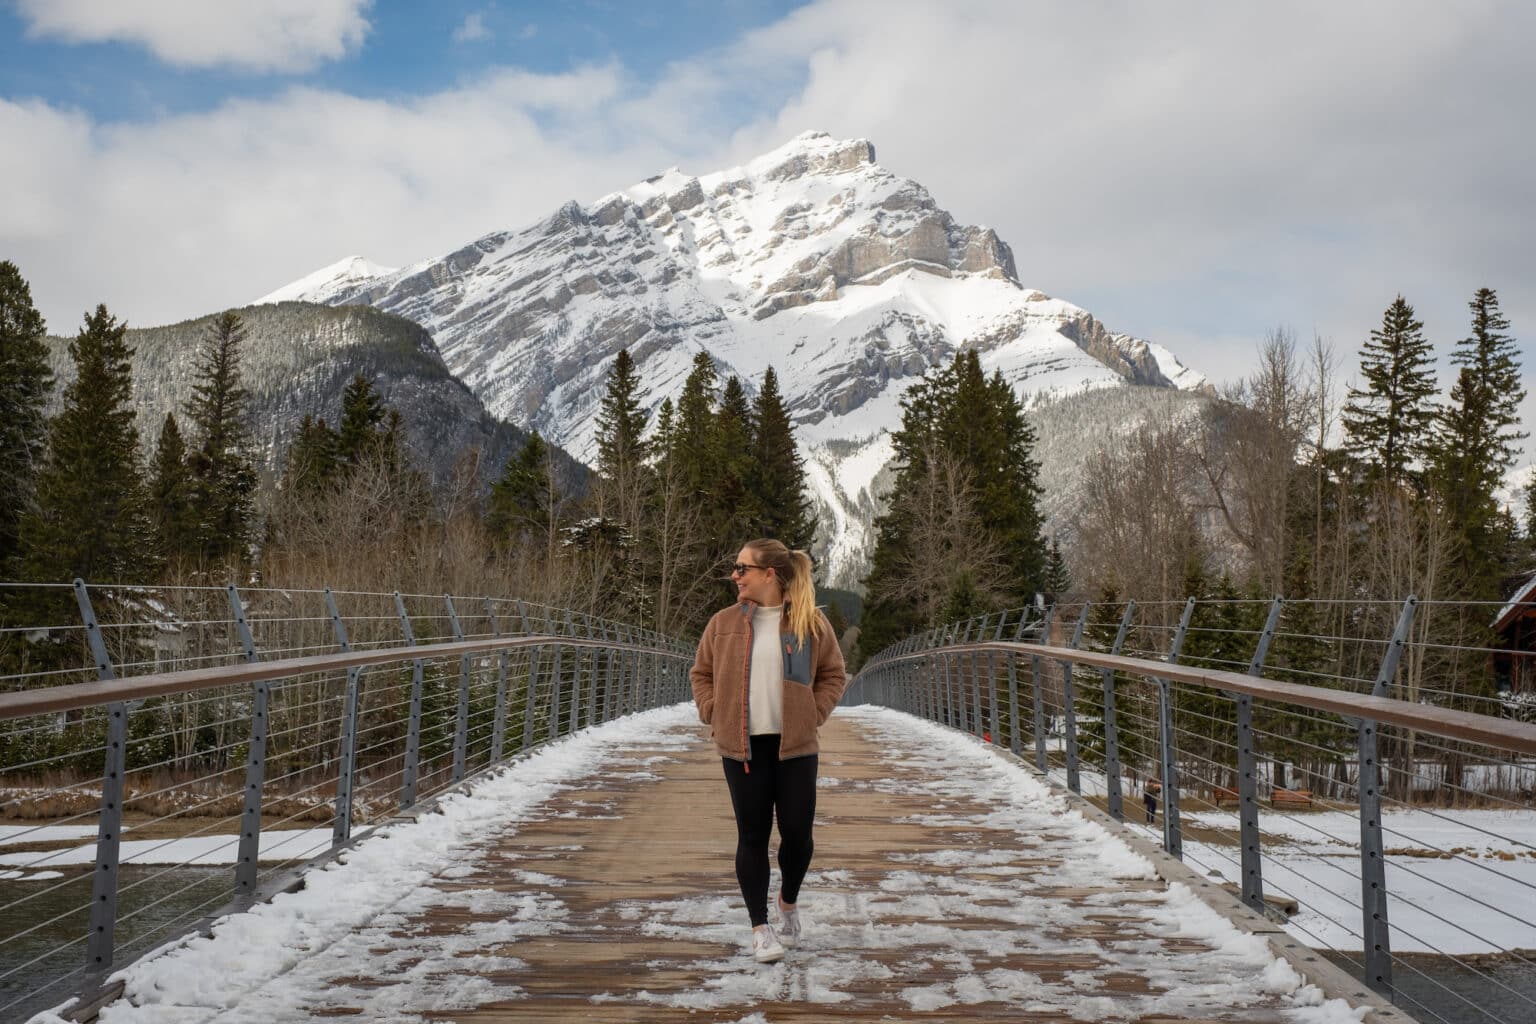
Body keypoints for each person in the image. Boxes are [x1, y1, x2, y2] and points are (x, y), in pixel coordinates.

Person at [690, 539, 847, 964]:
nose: (734, 576)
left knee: (798, 836)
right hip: (741, 747)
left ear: (769, 574)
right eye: (734, 568)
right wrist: (711, 709)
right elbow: (700, 672)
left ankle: (788, 905)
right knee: (753, 836)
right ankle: (760, 928)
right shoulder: (722, 623)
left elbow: (834, 673)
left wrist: (815, 712)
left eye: (742, 568)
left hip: (795, 746)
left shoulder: (808, 623)